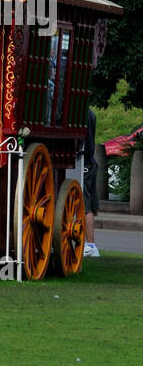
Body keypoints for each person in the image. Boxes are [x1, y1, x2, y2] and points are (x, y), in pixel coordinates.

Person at [84, 106, 100, 259]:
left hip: (86, 162)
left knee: (85, 205)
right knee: (88, 205)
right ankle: (90, 244)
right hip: (90, 162)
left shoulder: (83, 113)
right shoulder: (91, 113)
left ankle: (90, 245)